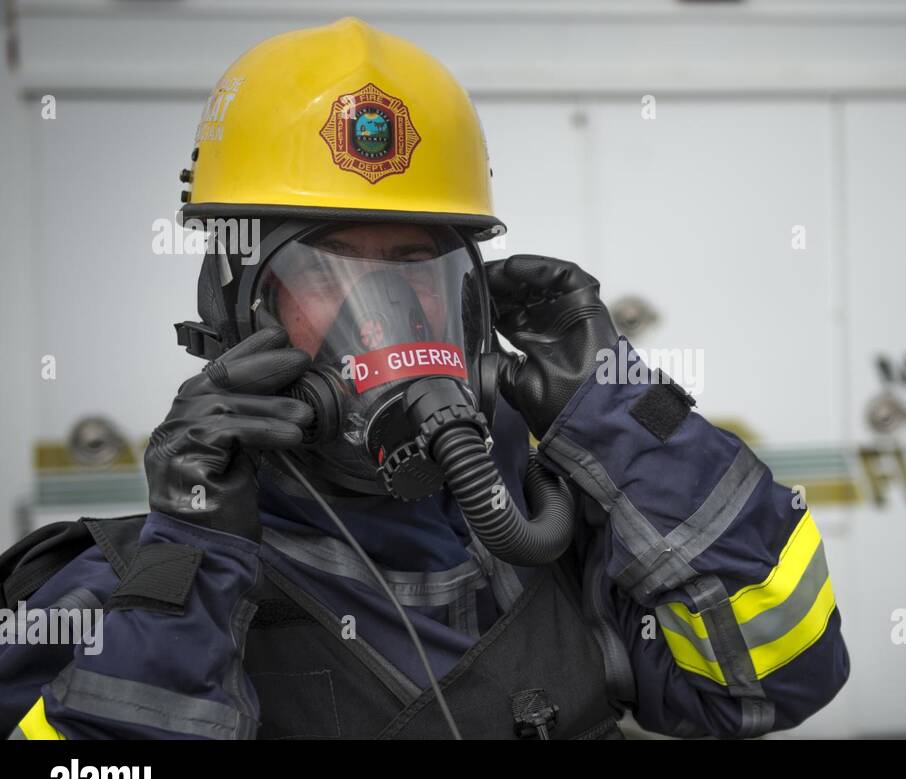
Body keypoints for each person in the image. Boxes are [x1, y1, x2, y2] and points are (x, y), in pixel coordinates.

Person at [0, 17, 848, 740]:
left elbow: (785, 674)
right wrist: (189, 570)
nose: (384, 317)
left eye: (415, 266)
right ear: (236, 310)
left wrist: (618, 402)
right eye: (330, 275)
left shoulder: (560, 527)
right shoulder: (121, 592)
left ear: (471, 302)